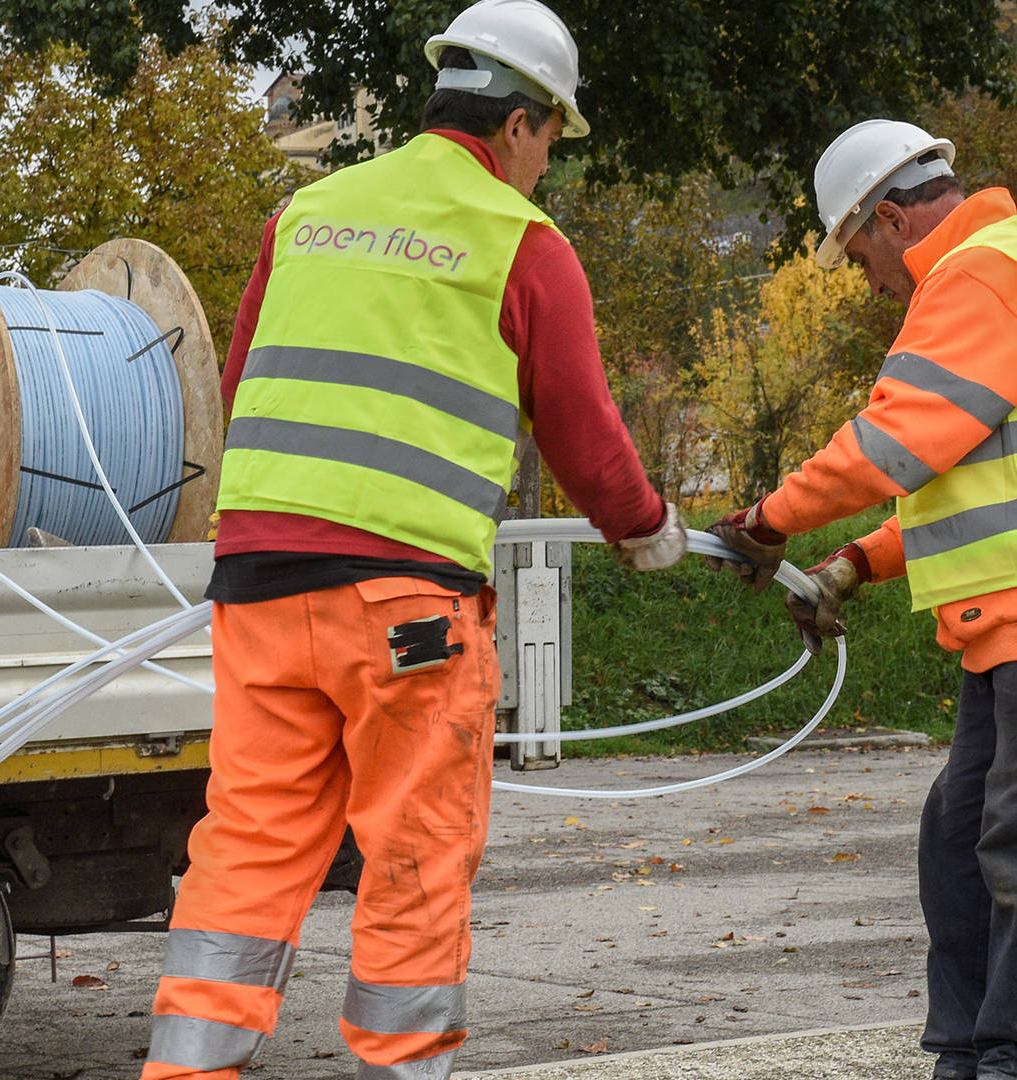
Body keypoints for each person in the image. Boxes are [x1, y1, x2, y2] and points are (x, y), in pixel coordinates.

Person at [137, 3, 686, 1077]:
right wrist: (647, 533)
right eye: (551, 143)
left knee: (246, 854)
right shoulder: (519, 242)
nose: (544, 168)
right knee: (411, 862)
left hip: (254, 593)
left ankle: (186, 1068)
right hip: (403, 614)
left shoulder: (309, 212)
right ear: (521, 125)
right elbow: (585, 435)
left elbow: (244, 381)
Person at [705, 119, 1017, 1080]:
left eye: (857, 257)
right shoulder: (1016, 268)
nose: (867, 282)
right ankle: (967, 1052)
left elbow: (896, 444)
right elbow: (985, 476)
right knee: (963, 834)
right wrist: (856, 565)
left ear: (889, 219)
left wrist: (768, 519)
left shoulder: (980, 272)